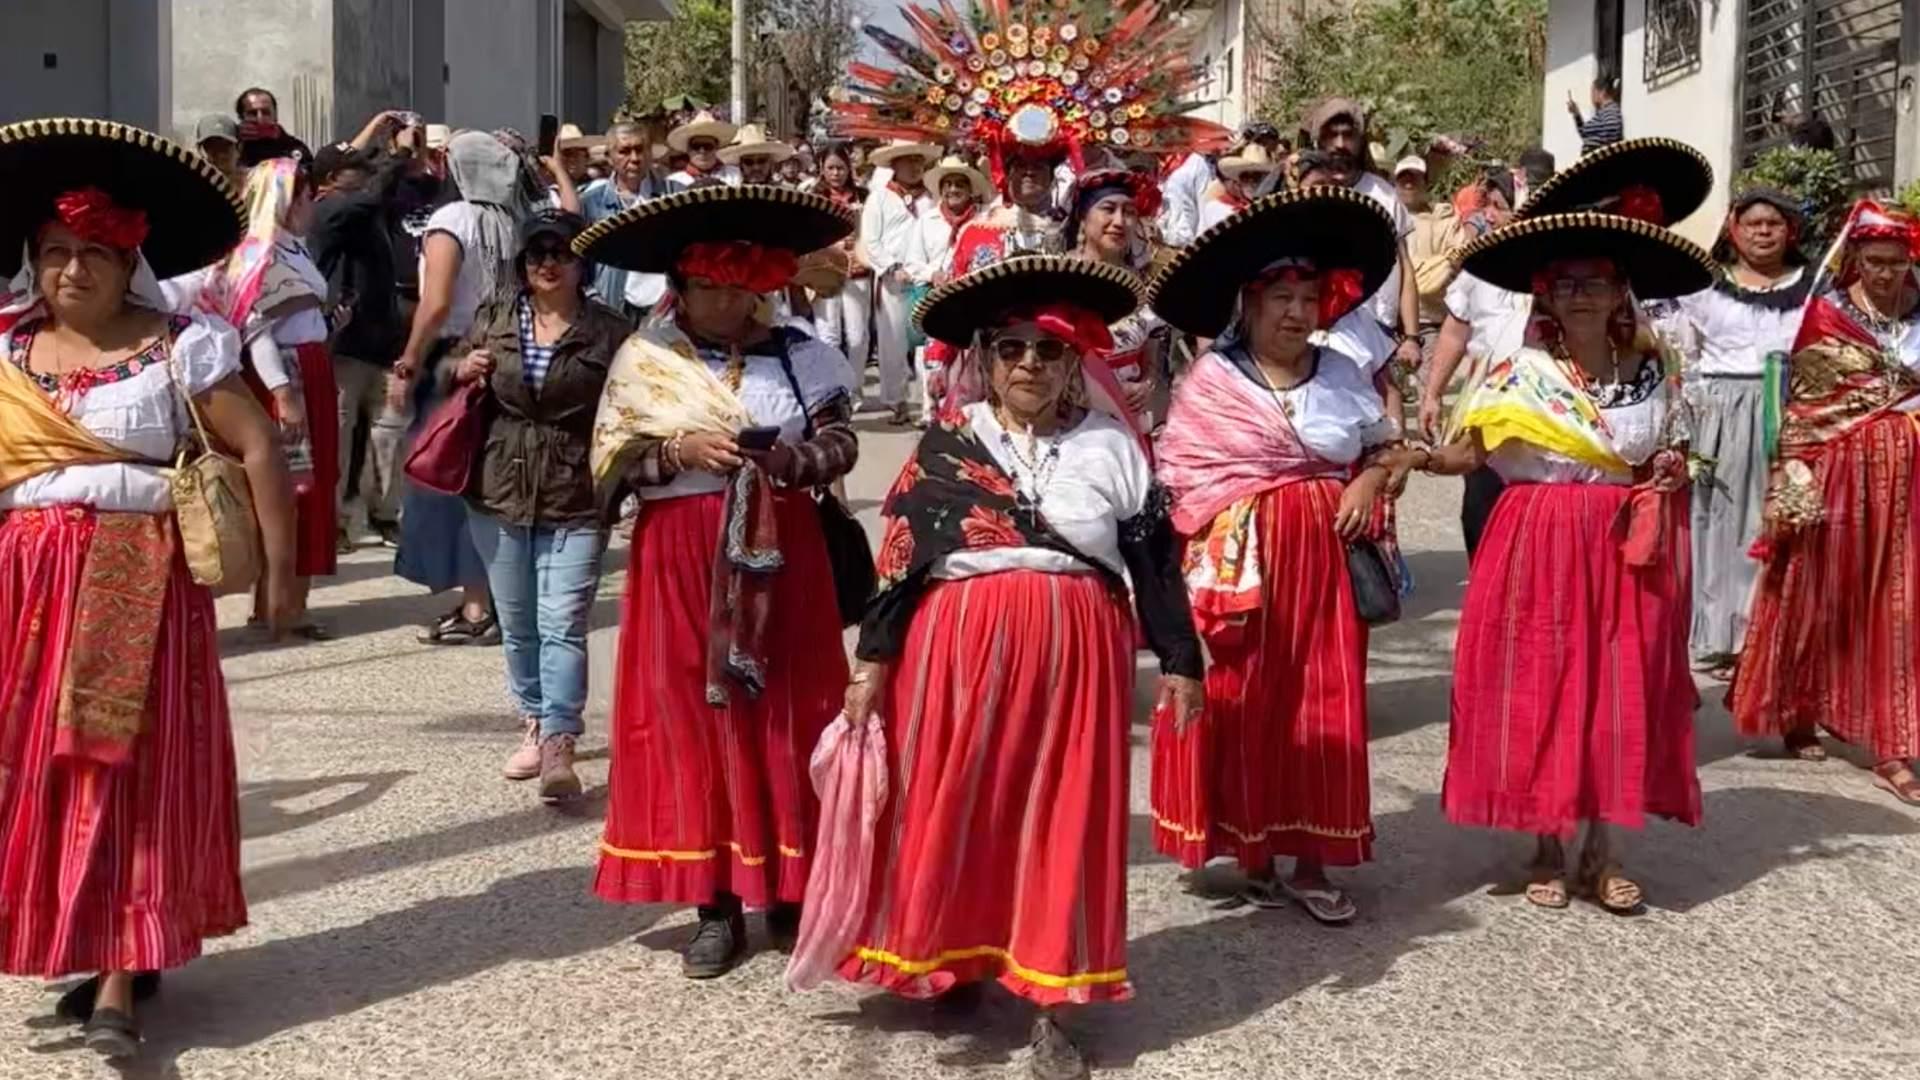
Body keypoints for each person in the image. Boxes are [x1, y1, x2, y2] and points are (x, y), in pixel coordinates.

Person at [834, 255, 1204, 1078]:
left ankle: (1057, 1000)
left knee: (1067, 819)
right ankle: (953, 955)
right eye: (1010, 348)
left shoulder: (1114, 445)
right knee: (960, 805)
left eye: (1048, 348)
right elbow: (900, 561)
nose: (1029, 363)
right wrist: (873, 667)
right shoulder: (950, 443)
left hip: (1080, 652)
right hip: (956, 651)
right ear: (984, 358)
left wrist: (1181, 657)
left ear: (1076, 361)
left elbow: (1154, 561)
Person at [0, 119, 295, 1059]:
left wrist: (277, 581)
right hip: (25, 576)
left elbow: (254, 444)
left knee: (124, 770)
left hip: (137, 574)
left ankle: (124, 975)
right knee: (37, 769)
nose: (72, 271)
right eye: (55, 253)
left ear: (129, 257)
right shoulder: (6, 352)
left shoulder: (179, 348)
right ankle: (82, 947)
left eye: (94, 252)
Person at [585, 185, 861, 978]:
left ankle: (791, 888)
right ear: (682, 287)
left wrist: (788, 462)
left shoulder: (803, 353)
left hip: (784, 551)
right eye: (709, 285)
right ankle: (714, 904)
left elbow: (841, 442)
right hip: (682, 554)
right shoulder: (647, 361)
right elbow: (605, 467)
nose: (724, 300)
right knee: (694, 714)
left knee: (791, 707)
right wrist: (674, 456)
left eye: (740, 285)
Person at [1421, 207, 1715, 913]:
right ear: (1544, 296)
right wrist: (1410, 457)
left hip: (1624, 544)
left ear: (1621, 292)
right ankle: (1548, 846)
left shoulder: (1653, 372)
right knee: (1542, 682)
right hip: (1538, 534)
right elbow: (1472, 453)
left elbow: (1669, 452)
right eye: (1563, 283)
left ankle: (1606, 851)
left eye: (1596, 281)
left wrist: (1672, 470)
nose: (1580, 294)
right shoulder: (1518, 372)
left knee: (1622, 687)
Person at [1149, 187, 1416, 922]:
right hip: (1244, 564)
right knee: (1247, 700)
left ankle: (1311, 858)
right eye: (1280, 298)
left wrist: (1365, 477)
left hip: (1327, 559)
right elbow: (1181, 479)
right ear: (1250, 304)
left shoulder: (1342, 375)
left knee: (1321, 701)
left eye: (1308, 297)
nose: (1297, 313)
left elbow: (1391, 450)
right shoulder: (1213, 383)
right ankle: (1252, 847)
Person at [1731, 201, 1920, 801]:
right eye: (1875, 261)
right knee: (1821, 594)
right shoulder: (1828, 317)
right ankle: (1798, 709)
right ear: (1856, 259)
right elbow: (1806, 406)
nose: (1887, 273)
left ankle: (1894, 744)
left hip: (1911, 478)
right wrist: (1794, 470)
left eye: (1898, 262)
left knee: (1899, 605)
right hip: (1840, 473)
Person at [451, 210, 630, 801]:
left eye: (560, 253)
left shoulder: (610, 331)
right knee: (519, 622)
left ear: (583, 264)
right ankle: (532, 717)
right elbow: (450, 370)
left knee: (562, 623)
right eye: (536, 254)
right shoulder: (495, 318)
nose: (547, 264)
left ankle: (559, 738)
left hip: (575, 490)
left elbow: (630, 407)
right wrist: (462, 368)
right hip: (498, 485)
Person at [392, 131, 531, 645]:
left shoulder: (451, 221)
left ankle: (476, 608)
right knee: (488, 480)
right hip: (500, 352)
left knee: (445, 477)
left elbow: (436, 300)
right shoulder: (510, 222)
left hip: (453, 355)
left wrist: (408, 360)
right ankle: (496, 598)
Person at [1669, 189, 1812, 679]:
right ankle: (1725, 633)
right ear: (1734, 230)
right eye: (1753, 224)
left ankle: (1774, 631)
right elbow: (1682, 351)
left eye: (1774, 223)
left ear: (1790, 231)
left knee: (1783, 520)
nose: (1764, 232)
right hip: (1723, 411)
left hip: (1793, 408)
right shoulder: (1704, 286)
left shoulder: (1815, 288)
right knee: (1724, 521)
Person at [208, 156, 341, 638]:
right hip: (286, 375)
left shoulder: (292, 249)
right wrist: (283, 393)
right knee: (291, 487)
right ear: (288, 199)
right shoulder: (259, 254)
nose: (311, 205)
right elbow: (256, 330)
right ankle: (282, 606)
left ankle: (281, 601)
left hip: (311, 367)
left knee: (310, 482)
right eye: (305, 196)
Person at [308, 141, 417, 550]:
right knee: (337, 439)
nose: (366, 174)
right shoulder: (330, 208)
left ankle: (385, 516)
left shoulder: (369, 209)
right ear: (333, 179)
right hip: (346, 345)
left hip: (383, 341)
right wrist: (400, 156)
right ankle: (333, 524)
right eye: (355, 168)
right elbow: (374, 193)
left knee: (389, 433)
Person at [1300, 98, 1422, 387]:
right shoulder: (1304, 194)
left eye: (1348, 134)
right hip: (1319, 335)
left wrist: (1412, 338)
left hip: (1379, 335)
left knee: (1385, 416)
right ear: (1318, 139)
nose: (1340, 144)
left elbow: (1405, 270)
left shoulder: (1383, 196)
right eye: (1331, 134)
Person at [1065, 166, 1167, 433]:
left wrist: (1146, 386)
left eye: (1129, 212)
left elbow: (1152, 359)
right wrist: (1102, 392)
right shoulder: (1057, 279)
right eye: (1108, 209)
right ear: (1083, 217)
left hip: (1129, 425)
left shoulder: (1144, 284)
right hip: (1071, 425)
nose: (1120, 221)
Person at [857, 139, 936, 425]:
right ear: (895, 165)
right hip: (892, 280)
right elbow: (871, 240)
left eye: (919, 161)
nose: (915, 167)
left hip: (926, 278)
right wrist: (891, 266)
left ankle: (931, 404)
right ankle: (897, 400)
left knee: (929, 343)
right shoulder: (879, 197)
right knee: (892, 342)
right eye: (908, 161)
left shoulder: (932, 197)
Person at [905, 153, 988, 411]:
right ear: (941, 190)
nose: (953, 190)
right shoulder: (926, 222)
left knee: (971, 356)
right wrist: (933, 274)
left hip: (972, 301)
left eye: (959, 184)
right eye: (948, 184)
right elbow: (911, 262)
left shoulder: (984, 222)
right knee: (932, 357)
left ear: (970, 189)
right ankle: (931, 411)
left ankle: (967, 408)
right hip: (936, 298)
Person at [580, 122, 673, 319]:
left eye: (640, 150)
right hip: (612, 311)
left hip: (666, 312)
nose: (634, 158)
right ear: (609, 157)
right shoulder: (591, 203)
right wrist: (594, 299)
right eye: (625, 151)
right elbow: (581, 262)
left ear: (650, 153)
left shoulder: (675, 196)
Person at [808, 145, 871, 381]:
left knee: (857, 337)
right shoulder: (813, 196)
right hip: (825, 269)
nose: (836, 174)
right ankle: (833, 387)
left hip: (857, 270)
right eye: (831, 168)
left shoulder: (864, 196)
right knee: (828, 335)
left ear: (849, 169)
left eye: (840, 168)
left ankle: (854, 387)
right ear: (822, 170)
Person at [1397, 154, 1457, 362]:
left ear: (1426, 182)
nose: (1408, 183)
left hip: (1428, 323)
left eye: (1415, 177)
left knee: (1427, 389)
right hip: (1388, 324)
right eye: (1403, 178)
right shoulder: (1384, 218)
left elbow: (1456, 259)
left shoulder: (1445, 222)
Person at [1200, 143, 1278, 232]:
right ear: (1238, 181)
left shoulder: (1267, 206)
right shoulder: (1217, 209)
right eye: (1245, 177)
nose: (1251, 181)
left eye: (1257, 177)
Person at [234, 86, 313, 165]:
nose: (260, 118)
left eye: (266, 113)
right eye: (253, 113)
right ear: (241, 118)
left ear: (275, 116)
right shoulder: (232, 148)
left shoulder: (295, 148)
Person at [665, 111, 740, 189]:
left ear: (716, 148)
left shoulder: (735, 174)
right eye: (696, 146)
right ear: (688, 150)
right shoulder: (674, 181)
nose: (702, 151)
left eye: (708, 146)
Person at [717, 123, 792, 186]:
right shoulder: (730, 197)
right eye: (748, 162)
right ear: (741, 165)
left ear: (771, 163)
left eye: (762, 161)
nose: (756, 167)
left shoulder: (786, 195)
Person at [1569, 75, 1625, 154]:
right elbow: (1585, 134)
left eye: (1593, 92)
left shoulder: (1611, 110)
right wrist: (1576, 113)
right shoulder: (1602, 113)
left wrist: (1595, 150)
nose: (1591, 96)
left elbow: (1611, 133)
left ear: (1602, 92)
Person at [193, 114, 243, 189]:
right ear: (200, 152)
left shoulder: (255, 188)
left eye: (225, 147)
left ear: (239, 149)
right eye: (211, 147)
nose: (220, 156)